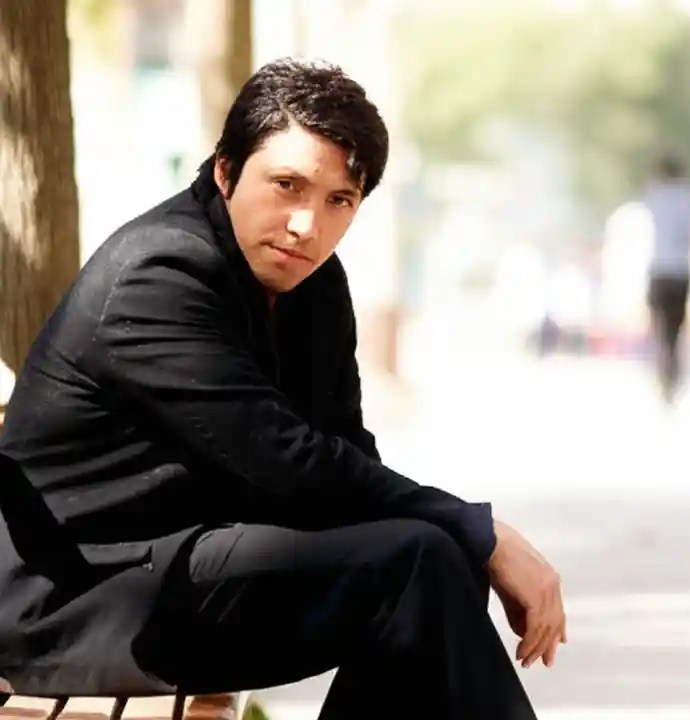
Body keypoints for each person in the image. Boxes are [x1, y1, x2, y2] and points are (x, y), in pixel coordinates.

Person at [0, 58, 561, 719]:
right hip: (78, 598)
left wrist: (464, 536)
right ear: (225, 171)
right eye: (287, 185)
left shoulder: (312, 284)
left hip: (182, 567)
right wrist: (484, 533)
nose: (307, 225)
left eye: (338, 201)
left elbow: (344, 449)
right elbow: (289, 463)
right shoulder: (159, 275)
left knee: (430, 556)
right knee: (424, 558)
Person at [643, 153, 690, 404]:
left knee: (661, 328)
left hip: (661, 269)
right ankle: (672, 374)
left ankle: (665, 375)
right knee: (675, 330)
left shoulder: (654, 196)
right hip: (681, 270)